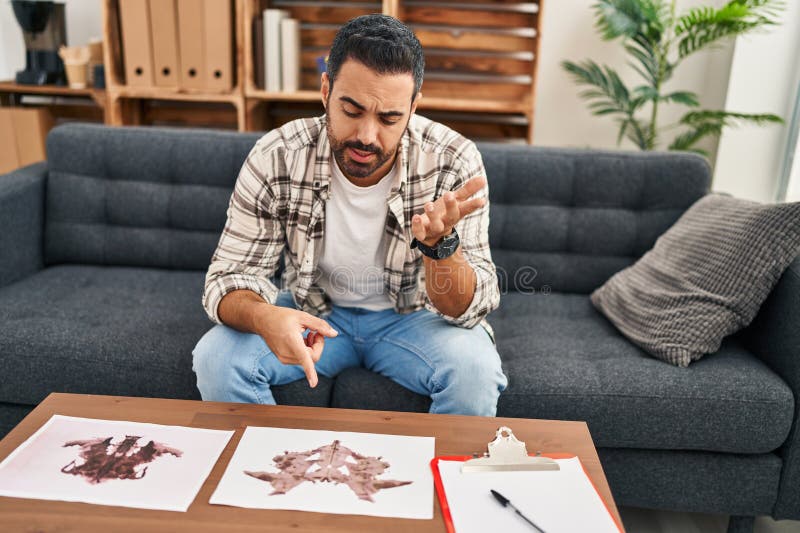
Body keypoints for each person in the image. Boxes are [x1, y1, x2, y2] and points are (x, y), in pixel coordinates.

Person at [192, 14, 507, 416]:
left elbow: (471, 306)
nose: (367, 136)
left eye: (389, 118)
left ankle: (438, 480)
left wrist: (440, 248)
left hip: (411, 319)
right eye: (352, 110)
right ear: (326, 90)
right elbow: (229, 276)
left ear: (412, 108)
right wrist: (264, 316)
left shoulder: (453, 161)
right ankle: (269, 475)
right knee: (217, 359)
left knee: (475, 372)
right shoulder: (277, 156)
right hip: (312, 310)